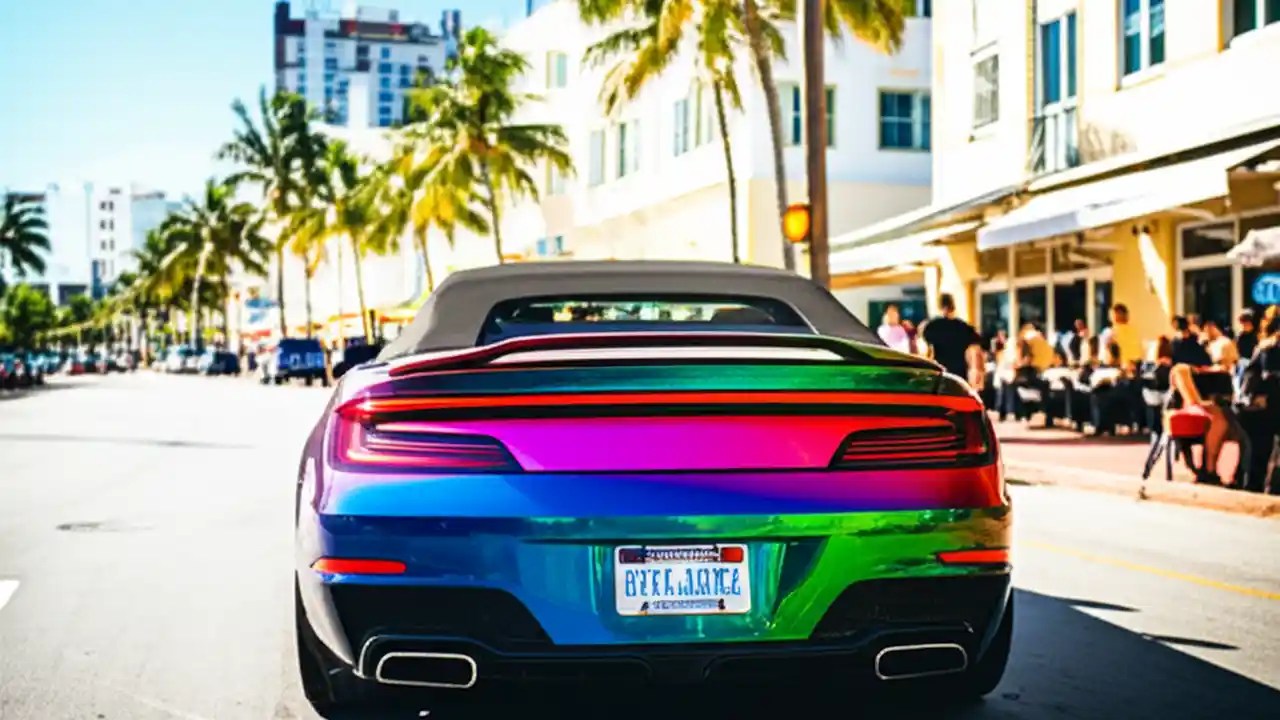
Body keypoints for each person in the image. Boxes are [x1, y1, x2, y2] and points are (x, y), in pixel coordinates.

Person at [921, 293, 982, 384]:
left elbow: (928, 352)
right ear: (953, 306)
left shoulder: (931, 327)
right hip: (960, 374)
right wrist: (976, 369)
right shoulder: (963, 327)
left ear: (939, 306)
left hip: (941, 372)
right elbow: (977, 346)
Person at [1100, 304, 1141, 370]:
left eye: (1112, 314)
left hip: (1119, 366)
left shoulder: (1111, 331)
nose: (1110, 317)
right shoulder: (1133, 330)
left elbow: (1106, 351)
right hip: (1132, 365)